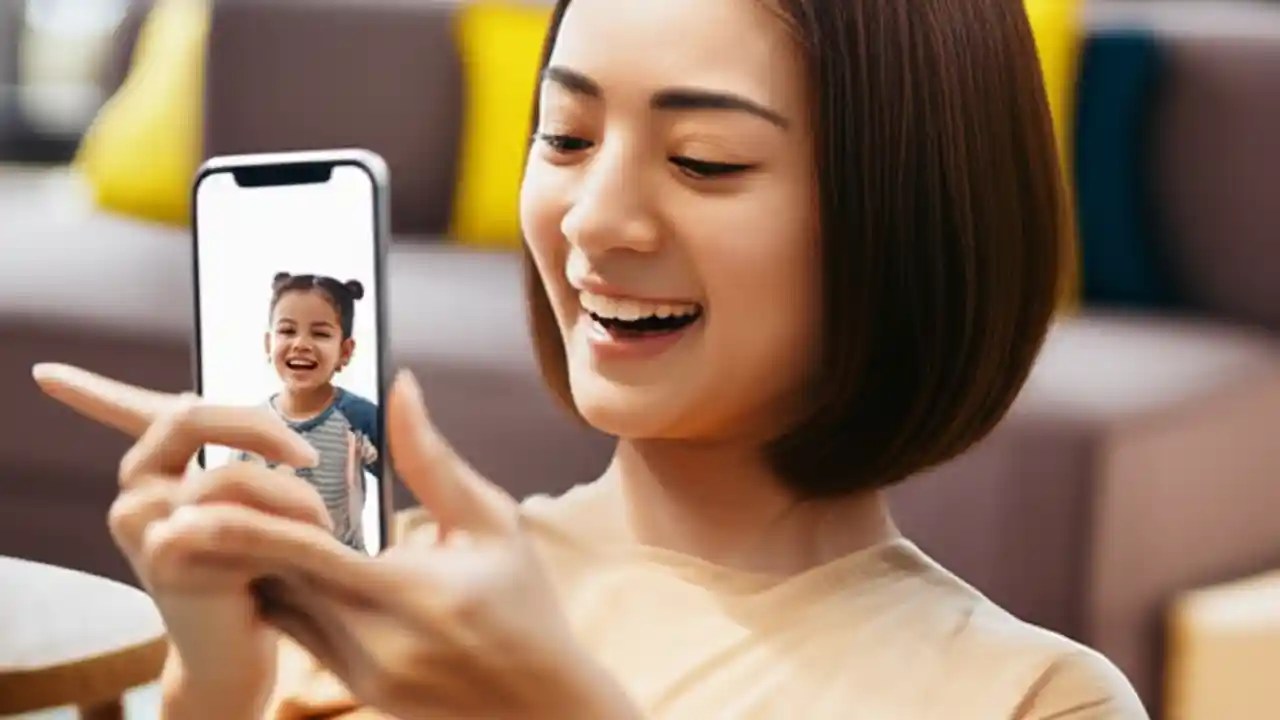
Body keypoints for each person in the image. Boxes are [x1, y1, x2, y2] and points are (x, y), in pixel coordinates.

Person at [30, 0, 1151, 718]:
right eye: (563, 139)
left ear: (907, 214)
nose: (592, 220)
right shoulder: (401, 588)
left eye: (703, 160)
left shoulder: (1028, 698)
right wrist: (217, 684)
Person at [237, 271, 380, 552]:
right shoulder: (251, 426)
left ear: (345, 352)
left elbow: (402, 489)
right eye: (288, 331)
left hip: (342, 575)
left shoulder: (359, 418)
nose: (301, 344)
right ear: (269, 344)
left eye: (320, 333)